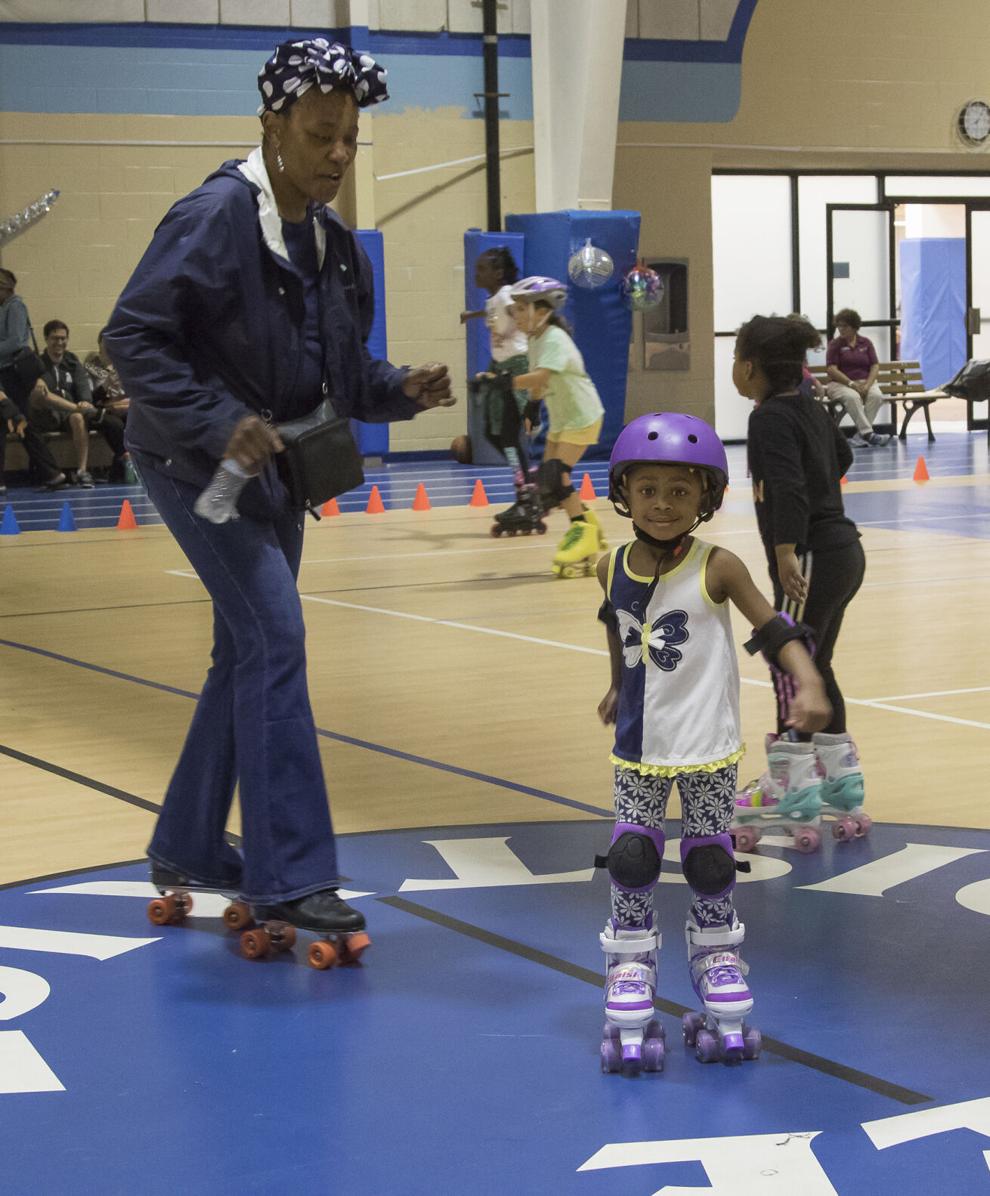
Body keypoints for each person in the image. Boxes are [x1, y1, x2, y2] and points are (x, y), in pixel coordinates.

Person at [104, 37, 453, 942]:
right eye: (321, 136)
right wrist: (221, 423)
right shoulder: (215, 215)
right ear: (272, 125)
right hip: (196, 464)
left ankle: (184, 844)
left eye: (349, 140)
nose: (338, 155)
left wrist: (396, 390)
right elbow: (133, 340)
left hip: (277, 469)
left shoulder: (334, 241)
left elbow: (335, 372)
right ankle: (290, 872)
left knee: (246, 652)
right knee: (276, 635)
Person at [595, 412, 829, 1072]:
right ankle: (632, 962)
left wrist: (807, 677)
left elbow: (773, 627)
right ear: (624, 494)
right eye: (648, 490)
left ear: (706, 497)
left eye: (680, 490)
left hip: (709, 746)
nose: (663, 504)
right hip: (640, 746)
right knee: (633, 857)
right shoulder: (607, 565)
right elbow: (616, 626)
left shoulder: (716, 565)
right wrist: (617, 684)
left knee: (710, 859)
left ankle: (718, 955)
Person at [732, 315, 870, 845]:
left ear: (749, 367)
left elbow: (787, 486)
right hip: (845, 552)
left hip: (812, 554)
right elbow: (844, 454)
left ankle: (789, 787)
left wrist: (787, 550)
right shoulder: (810, 405)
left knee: (787, 659)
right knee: (818, 663)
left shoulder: (768, 417)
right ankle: (840, 781)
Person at [508, 276, 606, 575]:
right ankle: (588, 525)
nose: (516, 315)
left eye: (522, 308)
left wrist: (505, 383)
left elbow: (538, 377)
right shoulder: (536, 340)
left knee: (557, 474)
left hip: (582, 414)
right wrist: (533, 406)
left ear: (542, 311)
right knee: (550, 485)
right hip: (563, 419)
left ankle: (582, 532)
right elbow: (541, 381)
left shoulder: (553, 338)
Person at [461, 248, 541, 534]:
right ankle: (529, 483)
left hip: (517, 366)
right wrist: (473, 314)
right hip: (500, 366)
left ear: (498, 272)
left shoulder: (508, 295)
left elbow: (518, 311)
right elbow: (494, 310)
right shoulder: (495, 298)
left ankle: (526, 495)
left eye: (482, 268)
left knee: (508, 433)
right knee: (494, 433)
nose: (476, 272)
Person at [33, 320, 136, 486]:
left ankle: (84, 471)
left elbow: (85, 394)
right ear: (46, 339)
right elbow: (45, 395)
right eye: (55, 338)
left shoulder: (72, 361)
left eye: (63, 338)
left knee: (85, 418)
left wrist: (85, 402)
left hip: (77, 413)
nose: (59, 342)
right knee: (102, 418)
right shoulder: (39, 363)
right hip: (48, 413)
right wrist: (93, 400)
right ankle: (126, 461)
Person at [0, 269, 66, 490]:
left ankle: (52, 472)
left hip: (14, 374)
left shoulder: (15, 306)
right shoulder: (4, 308)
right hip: (5, 371)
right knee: (18, 423)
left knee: (21, 422)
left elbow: (16, 341)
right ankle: (51, 473)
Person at [824, 308, 890, 447]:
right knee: (852, 397)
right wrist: (851, 384)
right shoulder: (835, 345)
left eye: (845, 326)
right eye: (839, 326)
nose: (841, 329)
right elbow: (831, 369)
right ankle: (868, 434)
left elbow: (875, 365)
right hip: (840, 384)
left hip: (865, 382)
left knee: (877, 396)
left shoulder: (865, 342)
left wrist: (867, 385)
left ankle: (860, 436)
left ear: (854, 326)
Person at [85, 328, 130, 420]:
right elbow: (90, 399)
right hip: (104, 409)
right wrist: (107, 383)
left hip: (126, 407)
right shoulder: (91, 367)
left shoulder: (125, 364)